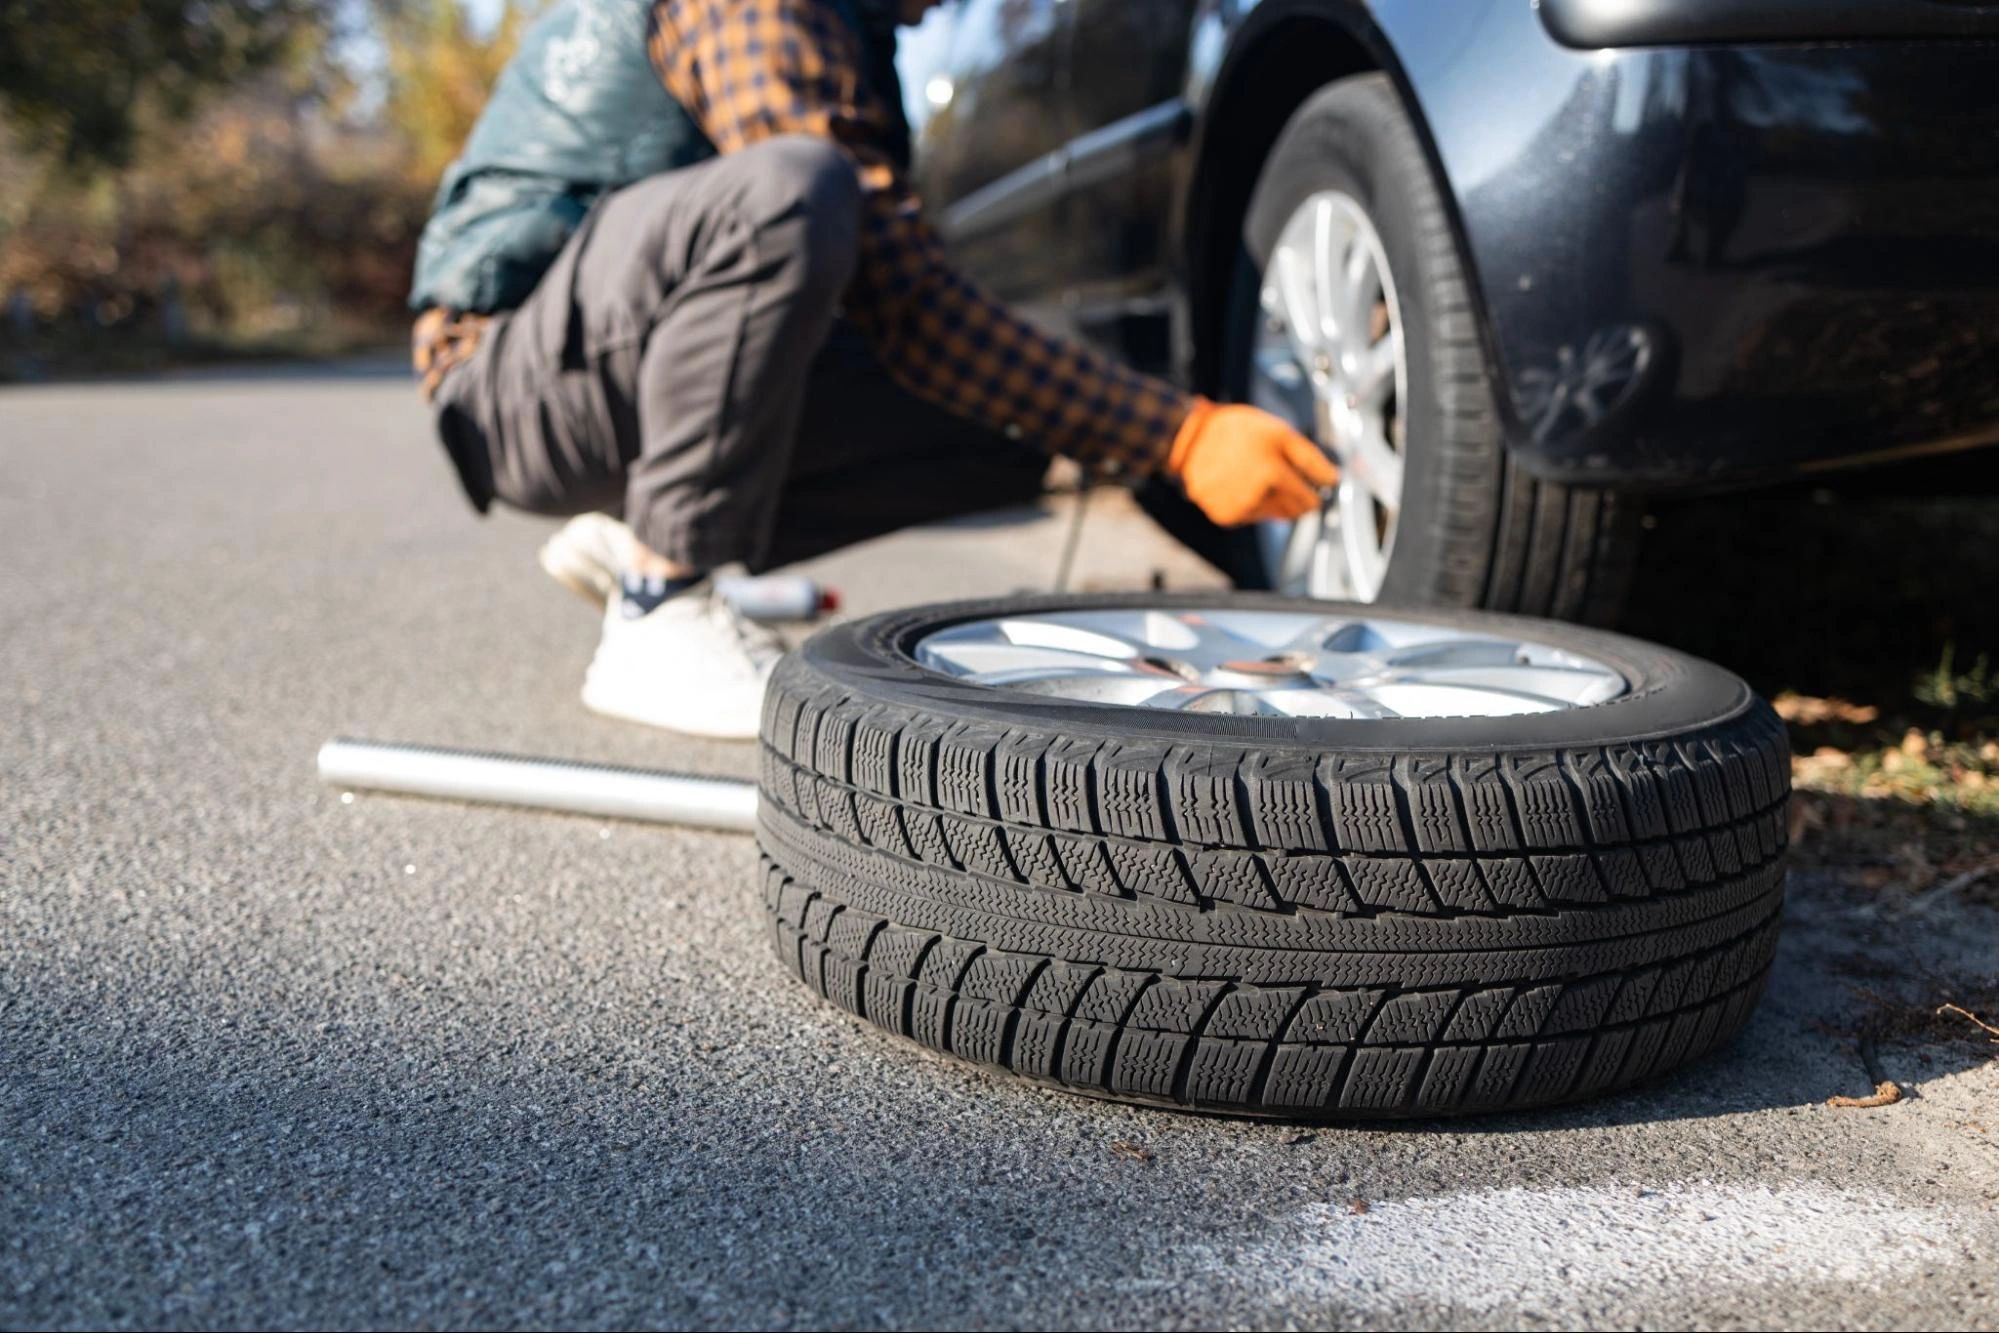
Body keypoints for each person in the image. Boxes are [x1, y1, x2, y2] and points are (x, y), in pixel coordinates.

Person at [408, 0, 1337, 739]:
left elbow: (901, 318)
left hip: (599, 360)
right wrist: (1177, 436)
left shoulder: (853, 27)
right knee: (791, 191)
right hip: (509, 382)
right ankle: (659, 602)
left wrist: (1129, 425)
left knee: (1005, 424)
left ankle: (635, 531)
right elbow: (905, 303)